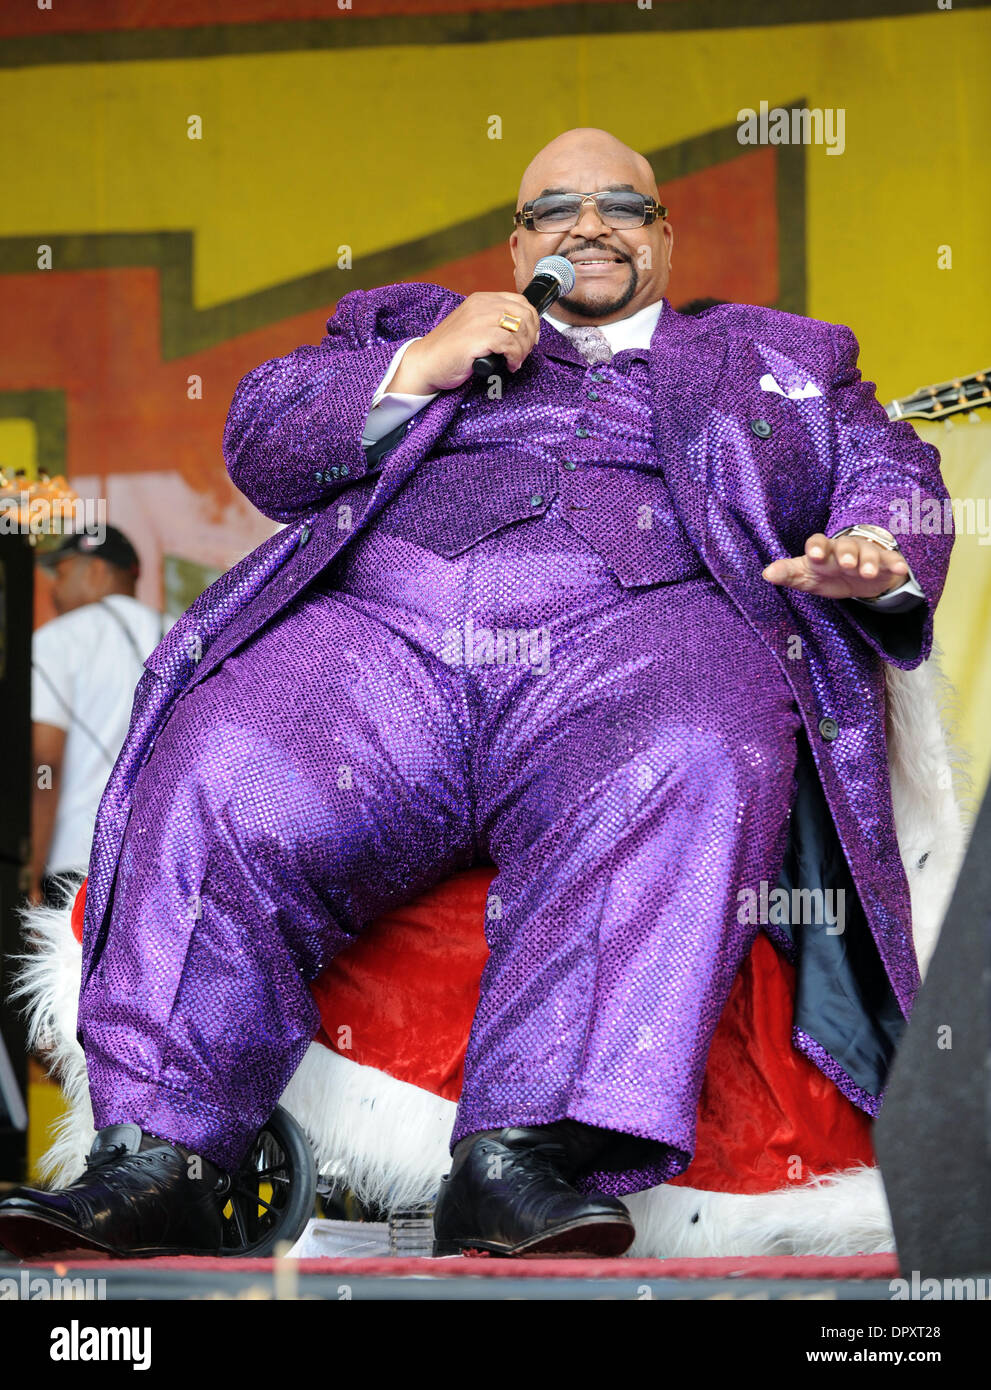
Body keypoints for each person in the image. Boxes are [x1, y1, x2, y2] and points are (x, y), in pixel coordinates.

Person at [0, 128, 951, 1261]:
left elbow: (892, 473)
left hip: (639, 646)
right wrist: (421, 363)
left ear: (663, 236)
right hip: (379, 646)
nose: (587, 224)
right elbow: (265, 441)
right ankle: (165, 1156)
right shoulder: (410, 326)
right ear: (517, 242)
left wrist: (881, 557)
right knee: (223, 756)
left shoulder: (781, 355)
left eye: (620, 206)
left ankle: (519, 1158)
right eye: (556, 208)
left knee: (701, 749)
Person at [28, 526, 164, 907]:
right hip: (154, 865)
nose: (53, 588)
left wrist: (31, 867)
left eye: (62, 572)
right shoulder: (178, 636)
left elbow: (45, 763)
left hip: (75, 862)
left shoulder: (58, 641)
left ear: (96, 571)